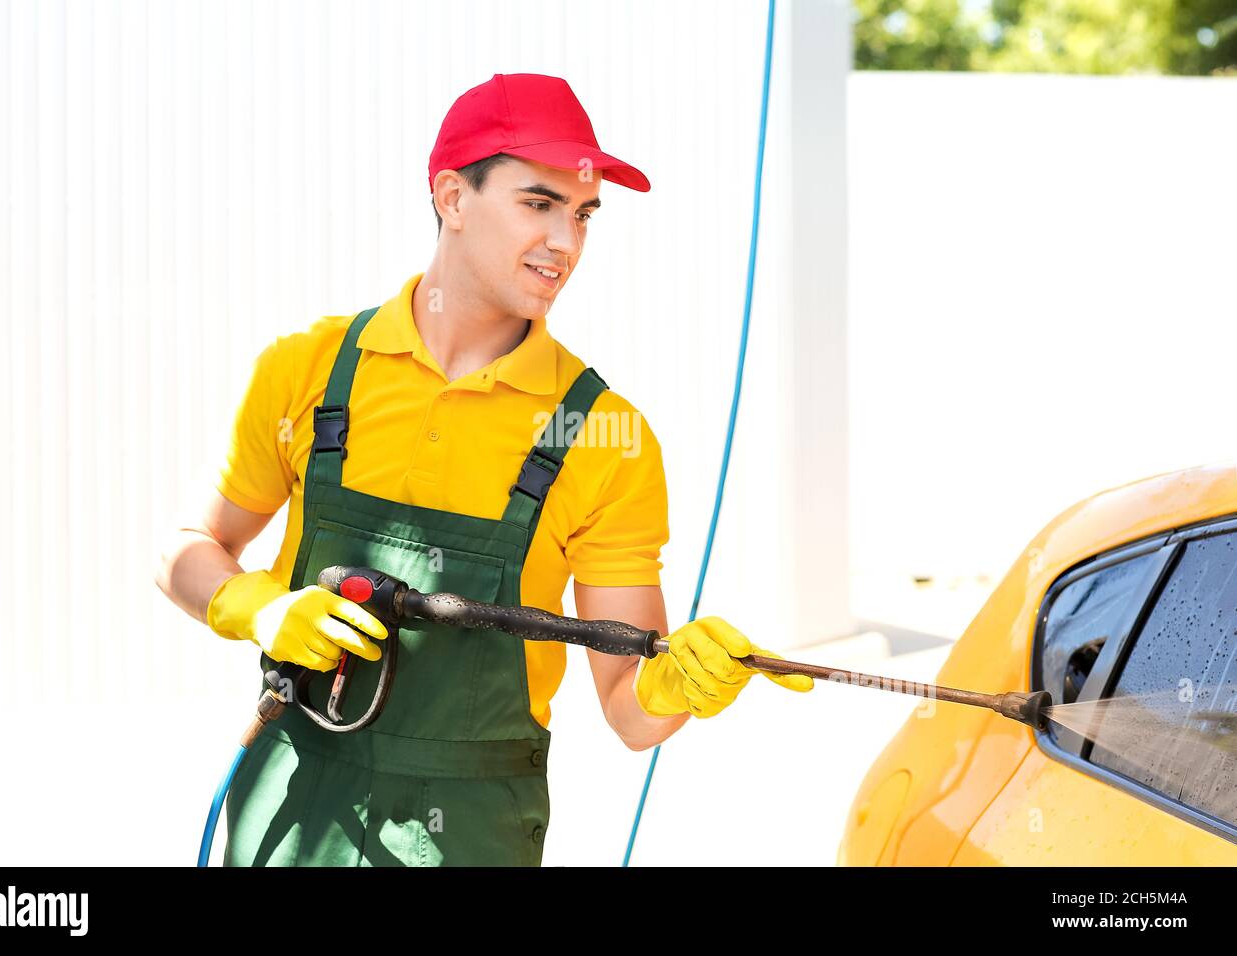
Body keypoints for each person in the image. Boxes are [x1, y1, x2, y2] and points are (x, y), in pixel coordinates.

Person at [155, 72, 812, 867]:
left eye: (582, 214)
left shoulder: (603, 434)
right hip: (295, 816)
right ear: (452, 198)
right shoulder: (313, 372)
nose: (566, 243)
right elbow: (188, 550)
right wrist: (258, 609)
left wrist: (676, 687)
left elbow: (629, 713)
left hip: (466, 837)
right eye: (538, 204)